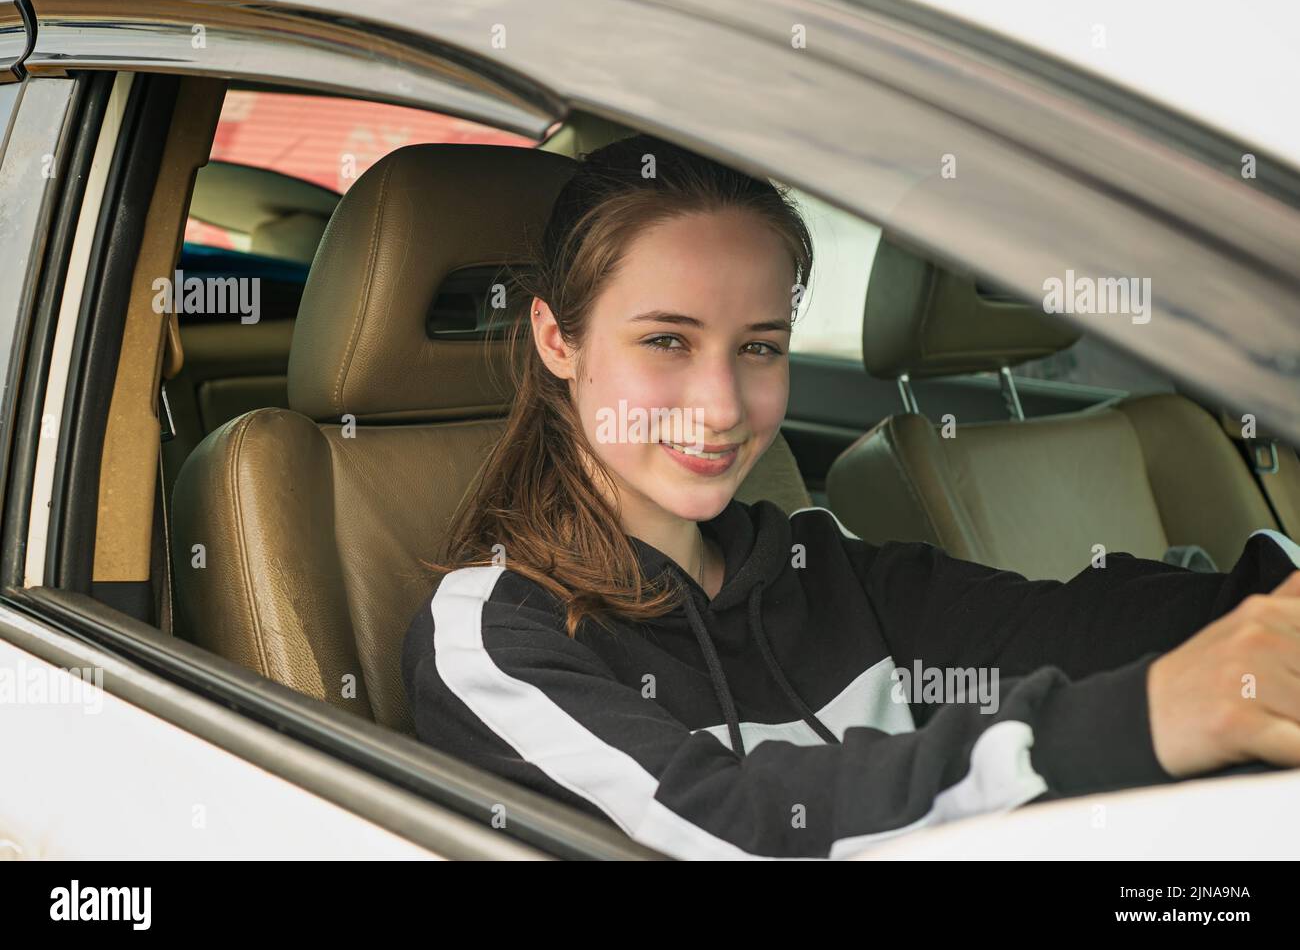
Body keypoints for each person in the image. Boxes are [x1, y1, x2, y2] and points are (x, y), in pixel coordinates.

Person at [401, 133, 1300, 860]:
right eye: (667, 341)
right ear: (558, 341)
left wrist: (1259, 609)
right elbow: (727, 824)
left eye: (759, 347)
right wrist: (1149, 714)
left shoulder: (816, 566)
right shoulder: (493, 634)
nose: (722, 408)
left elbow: (1061, 624)